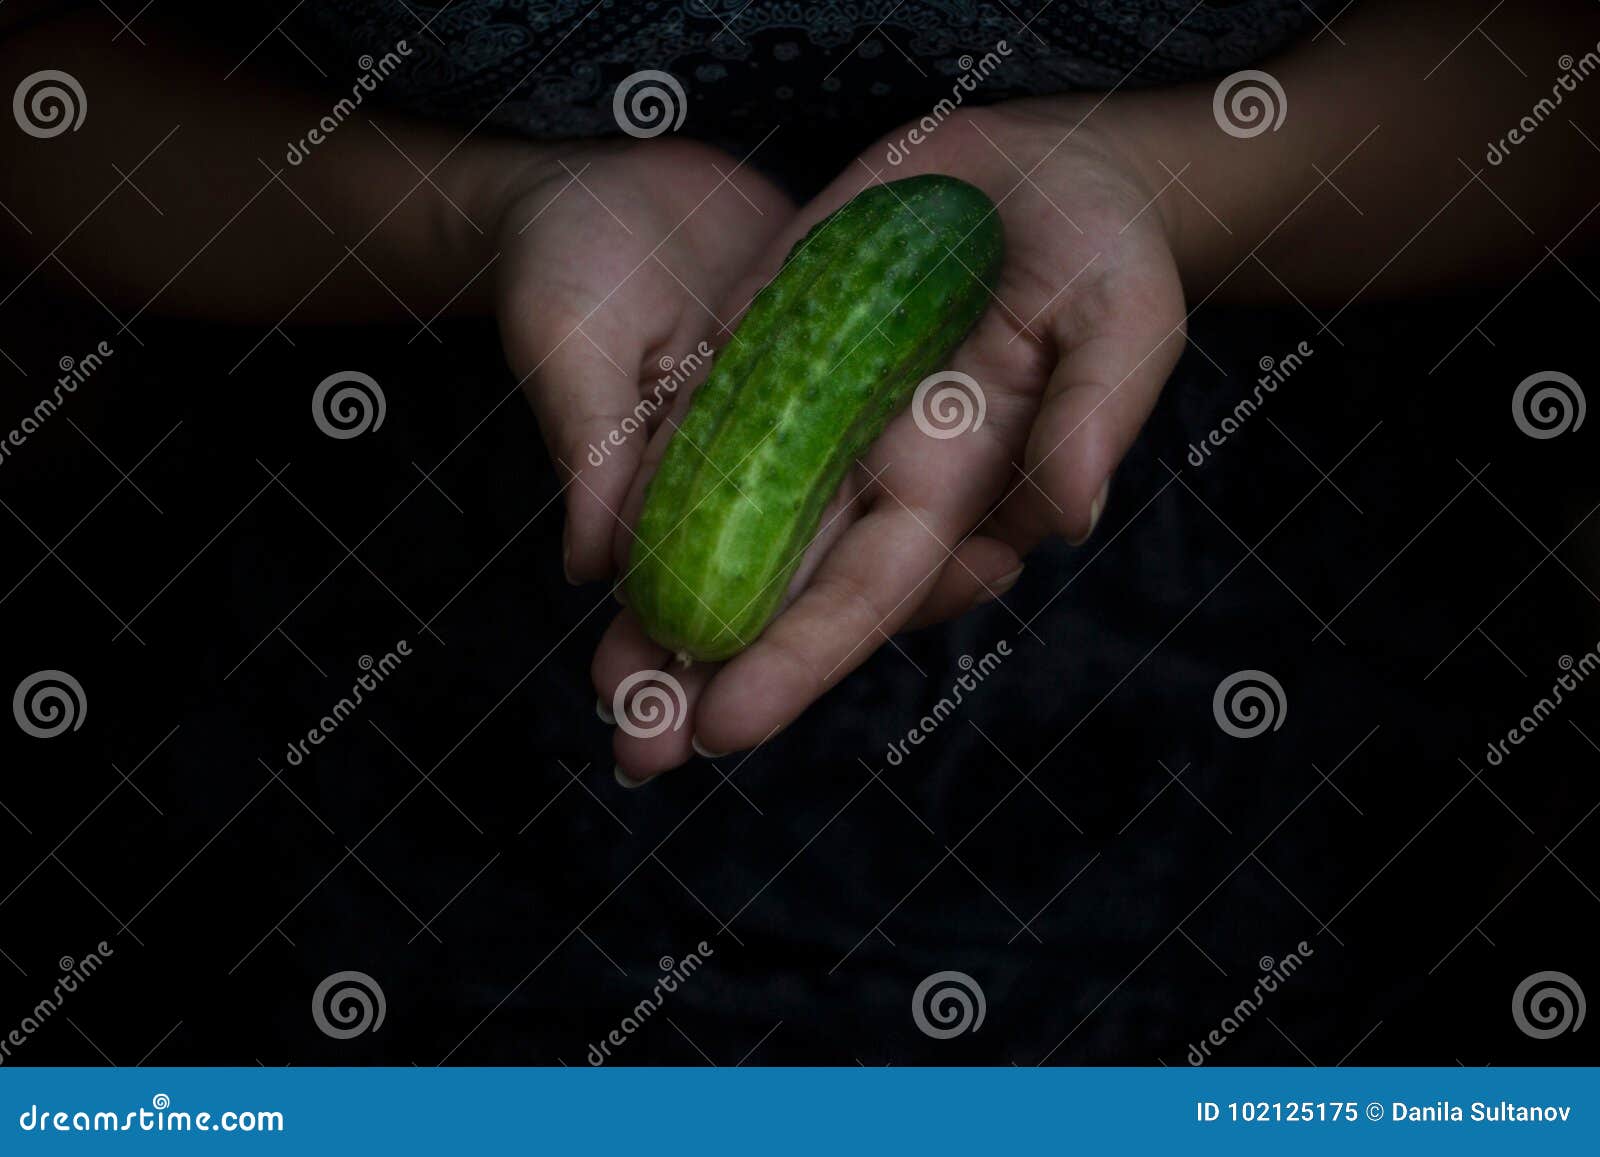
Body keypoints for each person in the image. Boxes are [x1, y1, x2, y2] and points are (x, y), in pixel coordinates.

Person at [3, 0, 1595, 797]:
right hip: (353, 724)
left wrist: (1174, 188)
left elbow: (1555, 76)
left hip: (1221, 740)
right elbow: (44, 103)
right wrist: (476, 210)